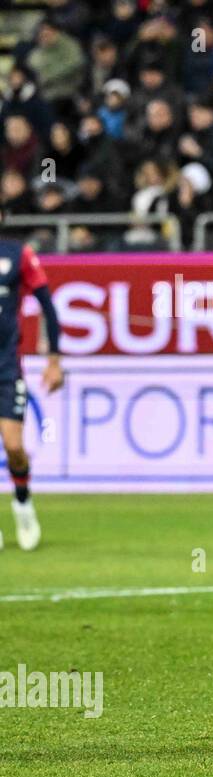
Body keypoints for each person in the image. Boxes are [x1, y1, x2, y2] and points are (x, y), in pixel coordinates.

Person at [0, 215, 64, 550]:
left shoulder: (18, 254)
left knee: (14, 447)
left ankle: (23, 503)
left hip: (7, 367)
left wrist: (54, 360)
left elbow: (48, 307)